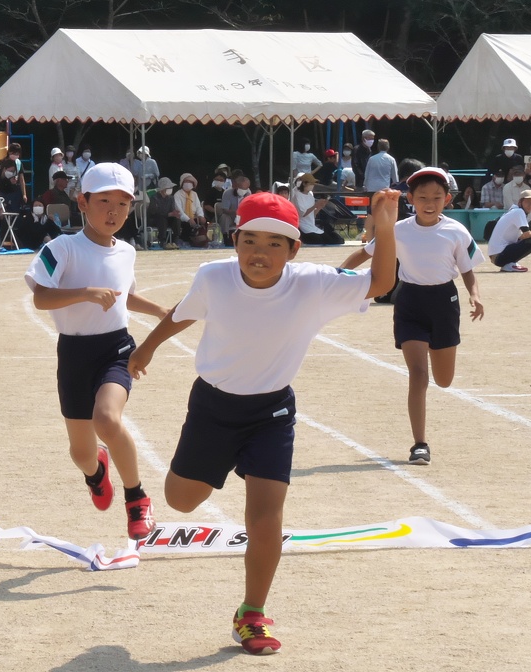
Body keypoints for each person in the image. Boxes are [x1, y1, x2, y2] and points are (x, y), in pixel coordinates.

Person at [127, 189, 398, 656]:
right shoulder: (213, 277)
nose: (260, 253)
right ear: (234, 242)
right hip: (213, 408)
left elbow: (378, 283)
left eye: (275, 244)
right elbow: (182, 313)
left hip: (271, 413)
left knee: (267, 516)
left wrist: (386, 226)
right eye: (249, 240)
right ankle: (209, 471)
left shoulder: (312, 283)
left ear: (295, 250)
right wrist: (147, 346)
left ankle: (251, 613)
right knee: (182, 500)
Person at [24, 162, 169, 541]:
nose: (113, 211)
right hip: (73, 354)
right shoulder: (63, 247)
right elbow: (40, 297)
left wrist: (159, 311)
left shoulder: (126, 251)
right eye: (103, 200)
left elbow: (122, 296)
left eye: (122, 203)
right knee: (81, 453)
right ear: (82, 202)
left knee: (107, 418)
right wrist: (85, 292)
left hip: (116, 348)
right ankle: (96, 471)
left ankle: (136, 498)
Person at [340, 167, 484, 466]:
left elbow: (467, 270)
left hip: (445, 302)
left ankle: (435, 347)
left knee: (444, 380)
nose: (429, 203)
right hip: (410, 303)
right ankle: (420, 444)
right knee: (418, 375)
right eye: (422, 197)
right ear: (410, 199)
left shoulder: (456, 231)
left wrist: (475, 294)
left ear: (447, 199)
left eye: (436, 197)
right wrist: (335, 277)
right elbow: (365, 254)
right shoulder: (398, 230)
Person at [486, 188, 531, 272]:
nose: (530, 205)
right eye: (528, 202)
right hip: (500, 256)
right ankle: (509, 264)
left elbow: (522, 237)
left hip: (497, 255)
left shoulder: (514, 211)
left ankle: (510, 263)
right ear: (520, 202)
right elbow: (527, 234)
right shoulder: (519, 212)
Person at [291, 173, 343, 245]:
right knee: (319, 241)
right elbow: (302, 214)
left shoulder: (310, 194)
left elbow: (313, 215)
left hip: (312, 226)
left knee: (334, 240)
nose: (313, 185)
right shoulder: (296, 195)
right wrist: (315, 205)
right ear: (304, 184)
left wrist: (319, 207)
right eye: (311, 183)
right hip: (304, 228)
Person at [174, 173, 208, 247]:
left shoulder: (194, 194)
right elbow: (179, 211)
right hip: (183, 219)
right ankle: (189, 241)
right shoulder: (177, 195)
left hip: (194, 217)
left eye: (190, 182)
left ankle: (202, 240)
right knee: (187, 225)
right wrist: (188, 219)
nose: (188, 183)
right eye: (186, 181)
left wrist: (201, 216)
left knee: (204, 222)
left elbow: (198, 207)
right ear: (182, 183)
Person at [147, 176, 181, 250]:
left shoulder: (171, 198)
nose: (170, 189)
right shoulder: (154, 198)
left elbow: (172, 210)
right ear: (162, 189)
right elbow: (154, 212)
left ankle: (175, 241)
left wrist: (174, 213)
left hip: (167, 218)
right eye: (168, 188)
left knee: (176, 219)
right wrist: (168, 214)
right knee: (161, 219)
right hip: (155, 219)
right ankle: (163, 241)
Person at [218, 173, 251, 246]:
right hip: (231, 216)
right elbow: (225, 209)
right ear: (236, 186)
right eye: (241, 188)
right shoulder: (227, 193)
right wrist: (236, 212)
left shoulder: (249, 194)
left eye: (245, 189)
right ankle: (225, 236)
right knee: (224, 217)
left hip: (242, 217)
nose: (243, 190)